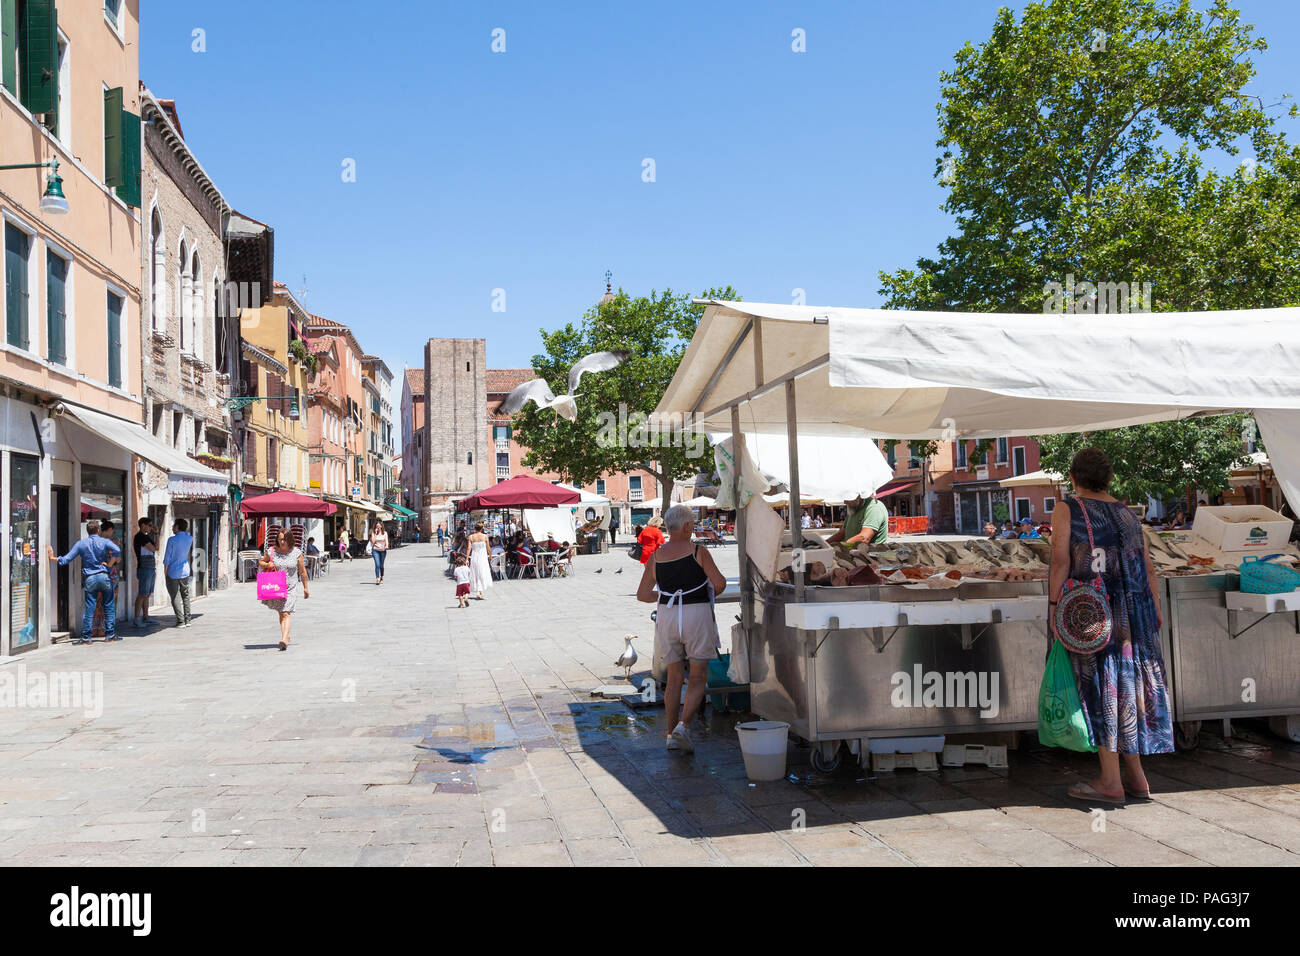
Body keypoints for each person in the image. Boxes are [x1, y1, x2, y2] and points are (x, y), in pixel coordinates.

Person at [1049, 447, 1173, 804]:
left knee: (1102, 686)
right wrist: (1155, 608)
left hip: (1093, 613)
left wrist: (1055, 607)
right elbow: (1147, 566)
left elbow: (1060, 562)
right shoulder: (1126, 513)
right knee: (1128, 686)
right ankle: (1136, 778)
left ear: (1073, 477)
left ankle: (1109, 782)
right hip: (1135, 612)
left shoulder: (1068, 509)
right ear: (1109, 478)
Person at [637, 504, 727, 753]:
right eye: (693, 524)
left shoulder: (656, 556)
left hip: (667, 615)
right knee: (698, 677)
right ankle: (683, 726)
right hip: (695, 613)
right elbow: (718, 584)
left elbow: (642, 594)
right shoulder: (698, 551)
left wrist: (666, 594)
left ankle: (669, 733)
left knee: (674, 679)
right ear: (687, 526)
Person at [48, 519, 121, 644]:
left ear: (87, 531)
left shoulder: (81, 544)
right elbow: (117, 551)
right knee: (108, 606)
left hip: (90, 578)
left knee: (90, 608)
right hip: (104, 576)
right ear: (98, 530)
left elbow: (66, 559)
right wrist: (109, 564)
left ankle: (87, 638)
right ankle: (110, 636)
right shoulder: (105, 541)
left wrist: (52, 557)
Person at [259, 527, 309, 651]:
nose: (282, 542)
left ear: (290, 540)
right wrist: (267, 564)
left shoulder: (297, 553)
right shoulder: (272, 551)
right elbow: (261, 562)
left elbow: (302, 572)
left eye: (285, 539)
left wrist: (306, 588)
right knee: (282, 613)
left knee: (286, 612)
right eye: (280, 539)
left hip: (291, 587)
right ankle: (286, 636)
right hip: (276, 586)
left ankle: (284, 639)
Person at [163, 519, 195, 628]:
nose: (172, 528)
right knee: (185, 595)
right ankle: (188, 620)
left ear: (177, 526)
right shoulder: (189, 538)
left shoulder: (171, 540)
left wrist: (165, 572)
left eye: (173, 526)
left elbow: (167, 558)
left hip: (173, 571)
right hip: (185, 570)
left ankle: (180, 621)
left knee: (175, 596)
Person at [132, 517, 157, 628]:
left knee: (147, 594)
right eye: (149, 525)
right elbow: (153, 549)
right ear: (143, 525)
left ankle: (146, 617)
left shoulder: (147, 536)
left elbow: (157, 547)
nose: (151, 527)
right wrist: (155, 534)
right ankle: (137, 618)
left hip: (151, 567)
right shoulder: (140, 537)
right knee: (142, 594)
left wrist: (157, 534)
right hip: (144, 567)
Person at [468, 522, 492, 599]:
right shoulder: (485, 536)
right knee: (482, 573)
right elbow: (488, 547)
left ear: (475, 528)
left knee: (476, 573)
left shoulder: (471, 537)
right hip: (483, 557)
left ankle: (479, 591)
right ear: (481, 529)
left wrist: (466, 559)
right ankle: (479, 591)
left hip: (474, 557)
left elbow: (469, 548)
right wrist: (490, 555)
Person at [369, 520, 390, 585]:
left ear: (381, 526)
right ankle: (377, 578)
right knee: (377, 564)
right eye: (376, 526)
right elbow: (372, 542)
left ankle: (381, 577)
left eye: (379, 526)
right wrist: (375, 534)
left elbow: (386, 541)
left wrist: (386, 545)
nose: (377, 527)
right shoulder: (373, 533)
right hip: (375, 550)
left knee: (381, 565)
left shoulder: (385, 533)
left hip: (383, 551)